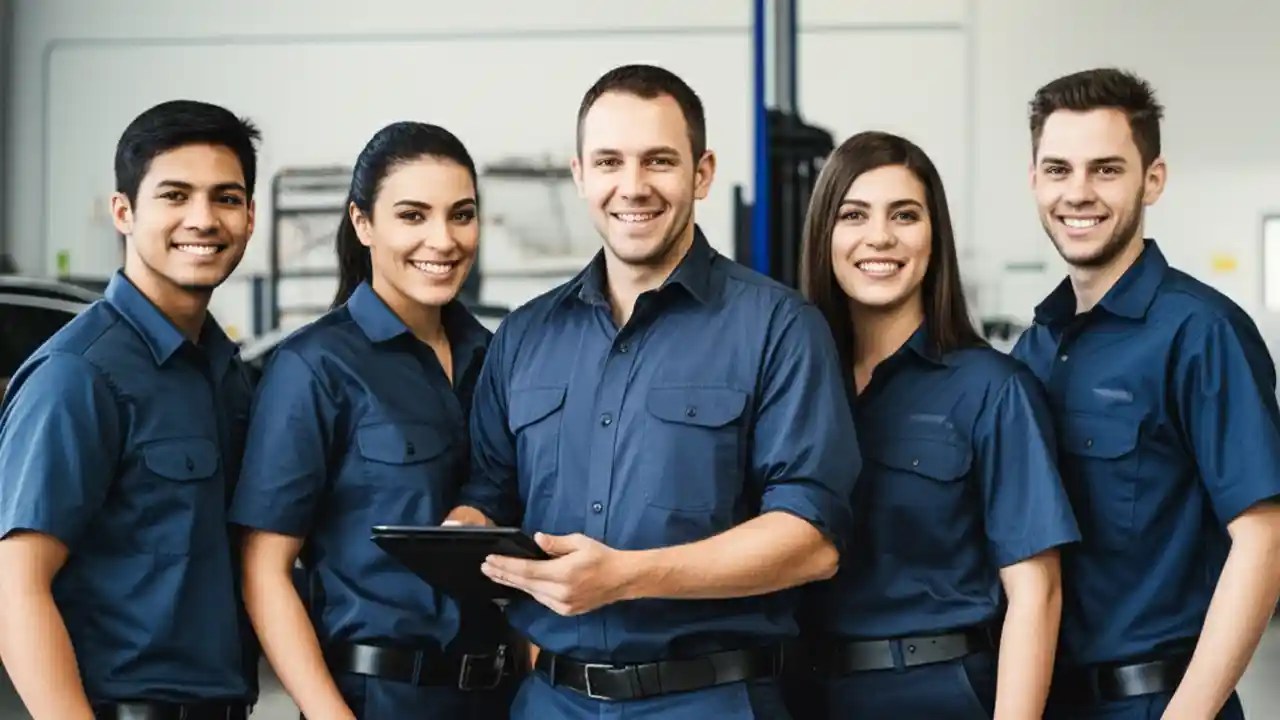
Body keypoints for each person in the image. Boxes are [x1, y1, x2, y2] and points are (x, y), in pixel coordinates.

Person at [443, 63, 859, 719]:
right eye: (609, 161)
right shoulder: (522, 338)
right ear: (579, 174)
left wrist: (627, 576)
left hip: (711, 700)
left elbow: (813, 541)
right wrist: (463, 530)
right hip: (552, 703)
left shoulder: (778, 328)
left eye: (658, 161)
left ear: (702, 172)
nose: (631, 187)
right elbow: (492, 491)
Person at [228, 121, 523, 719]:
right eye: (412, 215)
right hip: (377, 697)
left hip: (502, 698)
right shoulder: (315, 367)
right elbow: (264, 571)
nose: (442, 239)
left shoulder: (499, 358)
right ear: (363, 223)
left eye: (460, 215)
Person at [1012, 68, 1280, 719]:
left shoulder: (1201, 332)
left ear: (1151, 179)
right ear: (1034, 181)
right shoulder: (1035, 347)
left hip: (1158, 699)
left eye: (1106, 169)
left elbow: (1264, 539)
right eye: (1058, 169)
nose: (1078, 193)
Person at [784, 130, 1080, 719]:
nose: (880, 237)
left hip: (937, 693)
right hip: (802, 694)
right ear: (824, 235)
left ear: (933, 237)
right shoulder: (789, 387)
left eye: (905, 215)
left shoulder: (992, 389)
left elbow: (1036, 593)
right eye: (853, 214)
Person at [0, 99, 261, 719]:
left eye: (226, 198)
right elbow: (15, 584)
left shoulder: (225, 374)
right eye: (175, 195)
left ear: (250, 217)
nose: (203, 219)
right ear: (124, 211)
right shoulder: (78, 375)